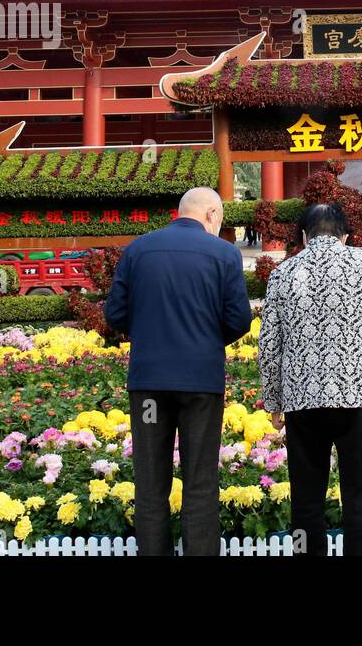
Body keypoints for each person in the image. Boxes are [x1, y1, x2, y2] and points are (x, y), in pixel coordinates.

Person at [104, 186, 253, 556]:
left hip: (149, 385)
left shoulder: (138, 249)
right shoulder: (223, 254)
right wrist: (206, 339)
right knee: (200, 480)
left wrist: (149, 334)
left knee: (151, 481)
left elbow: (114, 314)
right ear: (212, 215)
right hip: (201, 382)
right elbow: (239, 319)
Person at [257, 203, 362, 556]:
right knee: (359, 496)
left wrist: (274, 402)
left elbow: (269, 344)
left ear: (304, 237)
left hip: (302, 401)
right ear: (345, 236)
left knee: (305, 500)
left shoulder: (282, 273)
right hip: (356, 395)